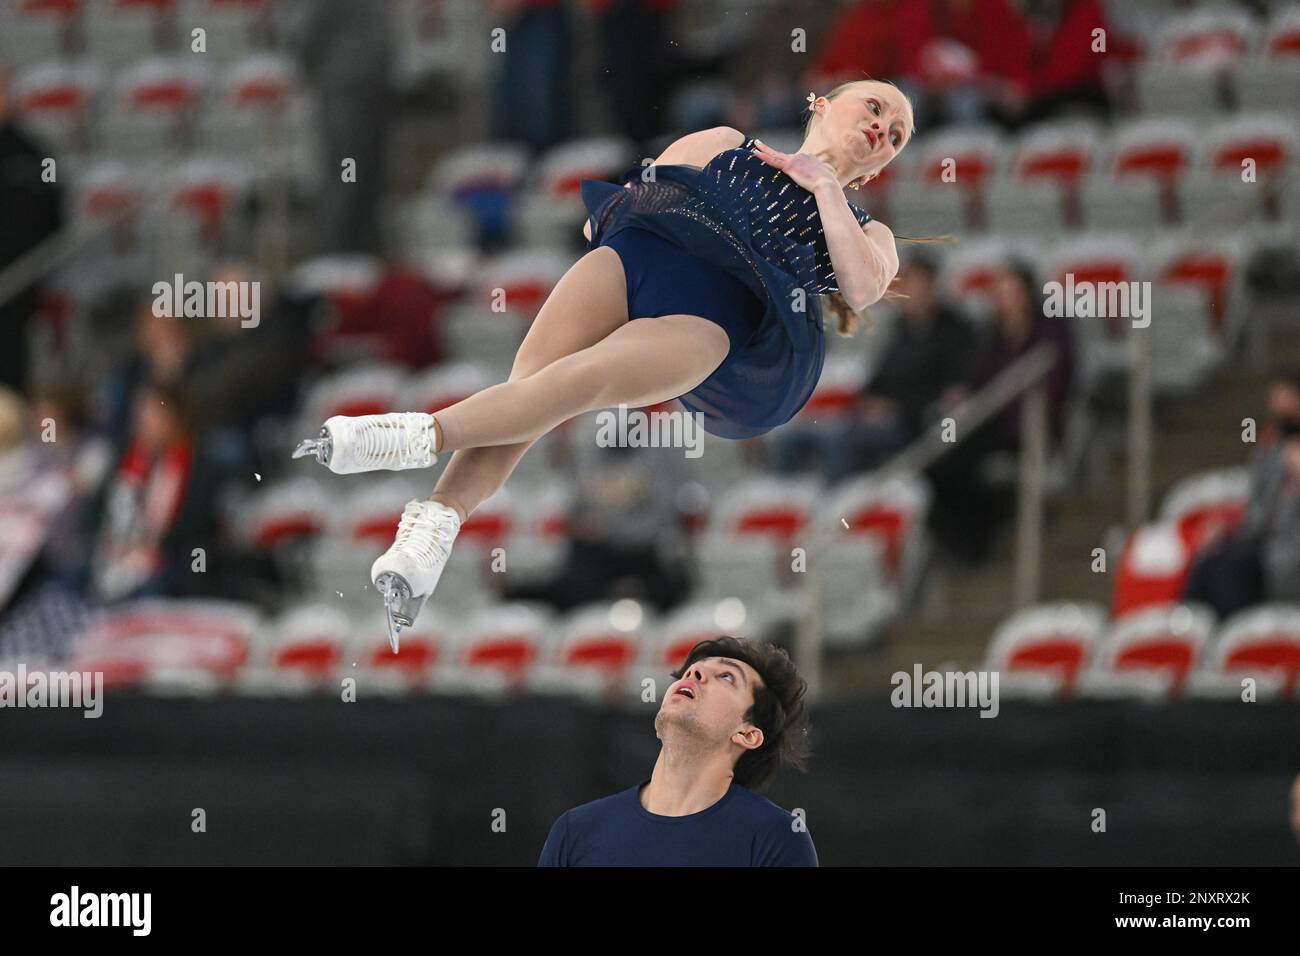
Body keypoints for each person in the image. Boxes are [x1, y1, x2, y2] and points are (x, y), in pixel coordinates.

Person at [295, 80, 913, 647]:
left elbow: (859, 287)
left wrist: (825, 184)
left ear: (885, 162)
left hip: (710, 319)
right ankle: (430, 531)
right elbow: (633, 197)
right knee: (528, 392)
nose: (881, 129)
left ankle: (409, 434)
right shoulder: (727, 141)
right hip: (640, 259)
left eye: (897, 135)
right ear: (822, 104)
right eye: (876, 107)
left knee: (581, 382)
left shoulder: (869, 231)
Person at [537, 636, 816, 866]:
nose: (695, 672)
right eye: (691, 670)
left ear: (748, 734)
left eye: (727, 677)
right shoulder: (575, 831)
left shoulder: (775, 836)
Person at [772, 249, 978, 483]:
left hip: (915, 425)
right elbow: (879, 378)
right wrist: (866, 402)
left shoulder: (957, 333)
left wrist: (897, 409)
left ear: (931, 285)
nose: (906, 290)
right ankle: (791, 503)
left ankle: (838, 510)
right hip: (880, 419)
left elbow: (951, 394)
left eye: (914, 282)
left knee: (840, 441)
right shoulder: (902, 329)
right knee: (791, 439)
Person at [924, 260, 1074, 563]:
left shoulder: (1050, 332)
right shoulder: (991, 336)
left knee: (964, 462)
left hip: (1032, 426)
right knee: (942, 460)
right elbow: (979, 382)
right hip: (993, 426)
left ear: (1026, 294)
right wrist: (963, 395)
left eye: (1011, 291)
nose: (1004, 299)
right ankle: (960, 542)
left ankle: (974, 545)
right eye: (999, 292)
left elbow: (1054, 389)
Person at [1182, 370, 1300, 618]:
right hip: (1262, 544)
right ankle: (1191, 636)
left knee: (1234, 570)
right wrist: (1228, 528)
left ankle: (1237, 640)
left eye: (1286, 406)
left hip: (1288, 551)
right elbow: (1258, 516)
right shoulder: (1269, 452)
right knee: (1208, 564)